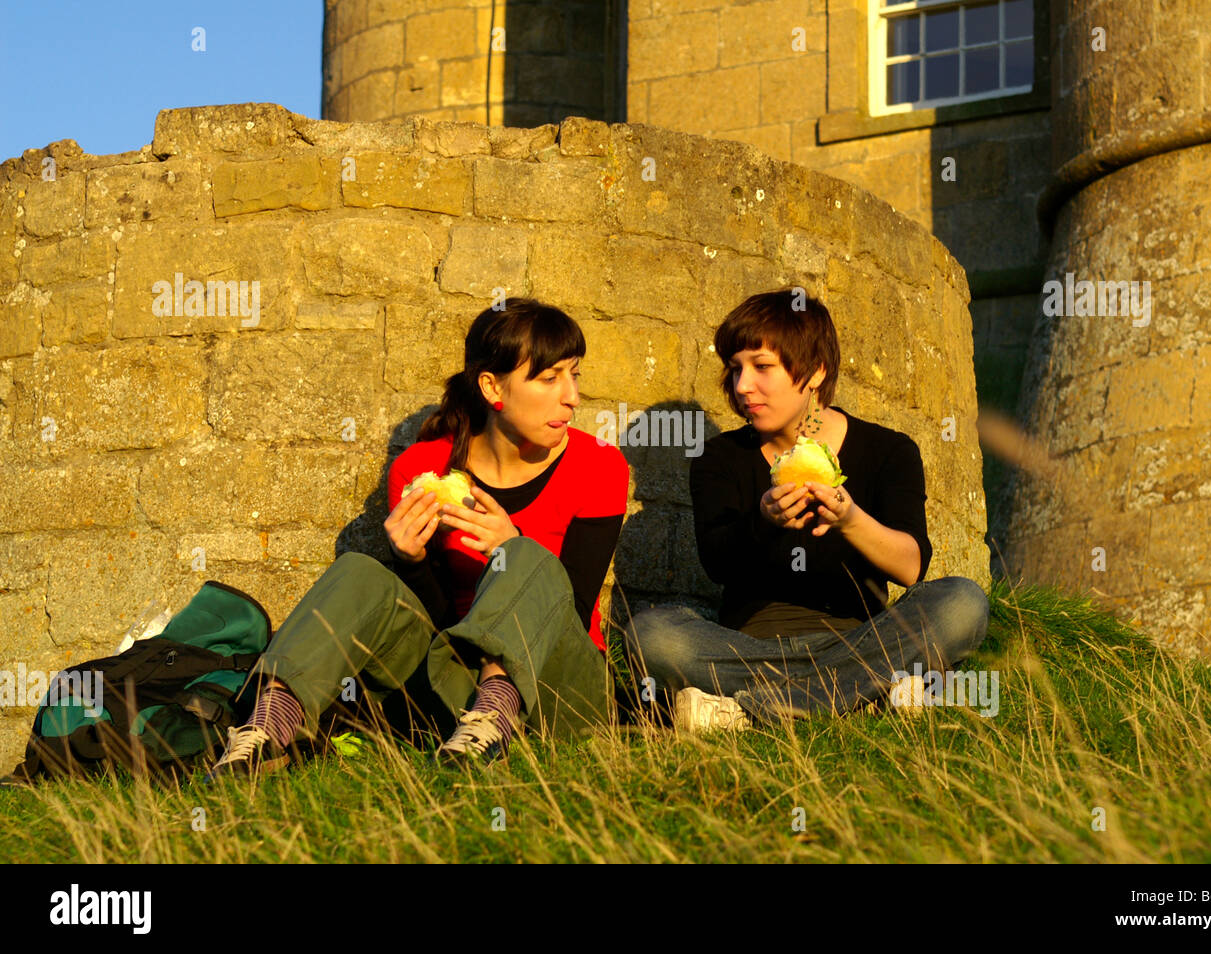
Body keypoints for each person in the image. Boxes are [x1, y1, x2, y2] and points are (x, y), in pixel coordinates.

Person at [206, 298, 630, 778]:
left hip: (557, 692)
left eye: (575, 375)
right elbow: (439, 625)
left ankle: (494, 717)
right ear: (492, 387)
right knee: (359, 570)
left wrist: (511, 547)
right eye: (550, 378)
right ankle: (266, 731)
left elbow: (574, 611)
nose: (572, 396)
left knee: (525, 555)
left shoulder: (599, 466)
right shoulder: (421, 469)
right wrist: (411, 562)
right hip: (451, 691)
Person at [626, 289, 990, 729]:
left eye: (762, 367)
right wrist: (763, 521)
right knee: (652, 635)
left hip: (861, 639)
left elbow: (911, 567)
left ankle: (748, 709)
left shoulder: (888, 450)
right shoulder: (721, 458)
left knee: (962, 603)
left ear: (816, 370)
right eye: (736, 368)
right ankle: (862, 695)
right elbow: (717, 564)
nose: (742, 386)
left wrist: (850, 520)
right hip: (751, 649)